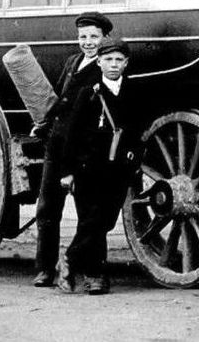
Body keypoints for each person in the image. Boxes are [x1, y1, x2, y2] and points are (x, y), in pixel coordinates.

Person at [58, 37, 142, 295]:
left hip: (117, 171)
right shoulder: (89, 92)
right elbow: (71, 134)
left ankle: (69, 259)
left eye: (118, 60)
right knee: (91, 219)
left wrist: (133, 158)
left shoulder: (134, 93)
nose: (113, 65)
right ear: (100, 62)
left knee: (104, 222)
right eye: (108, 60)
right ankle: (95, 276)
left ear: (126, 63)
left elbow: (139, 131)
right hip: (88, 169)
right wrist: (67, 171)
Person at [32, 11, 111, 287]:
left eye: (94, 37)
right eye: (83, 37)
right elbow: (59, 99)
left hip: (84, 150)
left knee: (88, 211)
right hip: (57, 144)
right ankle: (45, 268)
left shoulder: (105, 68)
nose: (88, 42)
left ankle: (94, 274)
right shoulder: (71, 62)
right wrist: (43, 125)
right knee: (47, 208)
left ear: (104, 38)